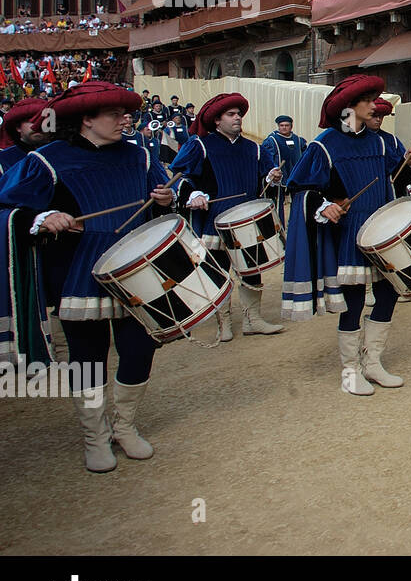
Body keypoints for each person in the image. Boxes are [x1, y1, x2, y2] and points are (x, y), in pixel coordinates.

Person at [0, 81, 176, 472]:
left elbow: (160, 195)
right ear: (86, 120)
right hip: (79, 271)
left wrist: (165, 197)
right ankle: (94, 438)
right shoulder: (45, 159)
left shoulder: (141, 156)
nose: (125, 119)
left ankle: (124, 428)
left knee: (138, 350)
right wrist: (42, 217)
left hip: (136, 269)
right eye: (114, 114)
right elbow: (7, 207)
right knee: (88, 357)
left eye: (126, 112)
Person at [281, 75, 411, 393]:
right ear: (349, 107)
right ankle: (350, 372)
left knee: (390, 294)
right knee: (354, 303)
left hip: (384, 231)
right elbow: (302, 188)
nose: (375, 105)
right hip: (350, 234)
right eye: (368, 100)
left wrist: (408, 166)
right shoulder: (324, 144)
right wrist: (324, 205)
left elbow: (397, 181)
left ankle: (373, 363)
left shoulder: (382, 141)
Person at [172, 94, 285, 340]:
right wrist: (194, 195)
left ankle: (252, 320)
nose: (237, 118)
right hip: (214, 219)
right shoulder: (199, 145)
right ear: (216, 121)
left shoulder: (253, 147)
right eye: (231, 115)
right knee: (218, 272)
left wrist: (272, 176)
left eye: (239, 114)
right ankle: (224, 322)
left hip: (247, 219)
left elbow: (265, 175)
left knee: (252, 270)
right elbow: (179, 177)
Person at [261, 115, 306, 226]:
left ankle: (295, 225)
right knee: (278, 202)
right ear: (278, 126)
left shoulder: (298, 140)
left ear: (291, 126)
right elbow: (267, 158)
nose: (284, 128)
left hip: (295, 177)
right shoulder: (272, 140)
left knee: (297, 202)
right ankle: (278, 226)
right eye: (282, 125)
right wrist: (274, 170)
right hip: (280, 177)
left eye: (287, 125)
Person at [0, 97, 52, 174]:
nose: (38, 126)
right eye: (32, 121)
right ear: (18, 127)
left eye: (44, 121)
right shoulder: (4, 160)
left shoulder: (61, 154)